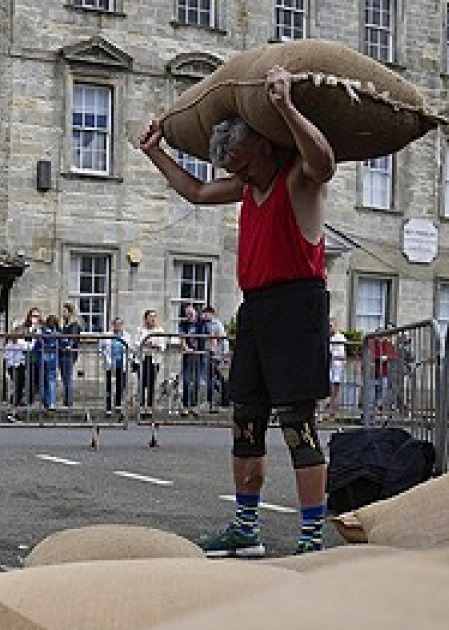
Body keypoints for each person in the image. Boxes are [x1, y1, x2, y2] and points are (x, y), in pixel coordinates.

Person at [139, 64, 336, 555]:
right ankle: (246, 529)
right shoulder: (249, 185)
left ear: (266, 146)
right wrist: (155, 153)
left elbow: (325, 162)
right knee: (246, 419)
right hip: (257, 311)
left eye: (245, 165)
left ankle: (312, 537)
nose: (240, 177)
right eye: (235, 171)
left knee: (297, 423)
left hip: (297, 307)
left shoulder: (298, 178)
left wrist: (286, 105)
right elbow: (198, 191)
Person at [99, 316, 132, 414]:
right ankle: (108, 408)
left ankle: (118, 405)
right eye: (116, 324)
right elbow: (101, 347)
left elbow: (129, 349)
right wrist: (105, 356)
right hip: (110, 363)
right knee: (109, 386)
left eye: (120, 324)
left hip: (121, 363)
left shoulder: (126, 336)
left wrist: (130, 359)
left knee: (120, 386)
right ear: (113, 325)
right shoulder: (107, 335)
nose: (118, 326)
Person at [136, 309, 166, 416]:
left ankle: (149, 407)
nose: (152, 319)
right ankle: (141, 406)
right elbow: (137, 343)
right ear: (145, 318)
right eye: (150, 316)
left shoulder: (159, 331)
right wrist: (145, 343)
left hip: (154, 359)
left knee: (151, 384)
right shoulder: (140, 330)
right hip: (143, 359)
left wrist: (154, 345)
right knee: (142, 383)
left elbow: (162, 345)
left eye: (154, 316)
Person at [178, 304, 205, 416]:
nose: (189, 315)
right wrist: (186, 348)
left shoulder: (201, 324)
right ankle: (185, 406)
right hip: (187, 355)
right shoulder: (184, 324)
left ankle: (194, 406)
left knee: (197, 381)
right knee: (186, 380)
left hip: (199, 355)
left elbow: (207, 336)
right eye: (187, 314)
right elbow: (182, 338)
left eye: (191, 313)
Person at [58, 303, 82, 408]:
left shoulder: (74, 325)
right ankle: (66, 401)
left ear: (70, 312)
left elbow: (73, 338)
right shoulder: (66, 324)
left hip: (69, 354)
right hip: (63, 353)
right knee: (65, 378)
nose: (63, 314)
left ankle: (69, 402)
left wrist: (69, 345)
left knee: (67, 378)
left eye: (64, 311)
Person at [328, 318, 347, 418]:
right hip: (330, 367)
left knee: (335, 391)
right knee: (330, 391)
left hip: (337, 367)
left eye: (331, 326)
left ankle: (333, 412)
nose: (329, 328)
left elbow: (341, 354)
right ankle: (330, 411)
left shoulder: (340, 338)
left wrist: (332, 355)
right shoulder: (328, 337)